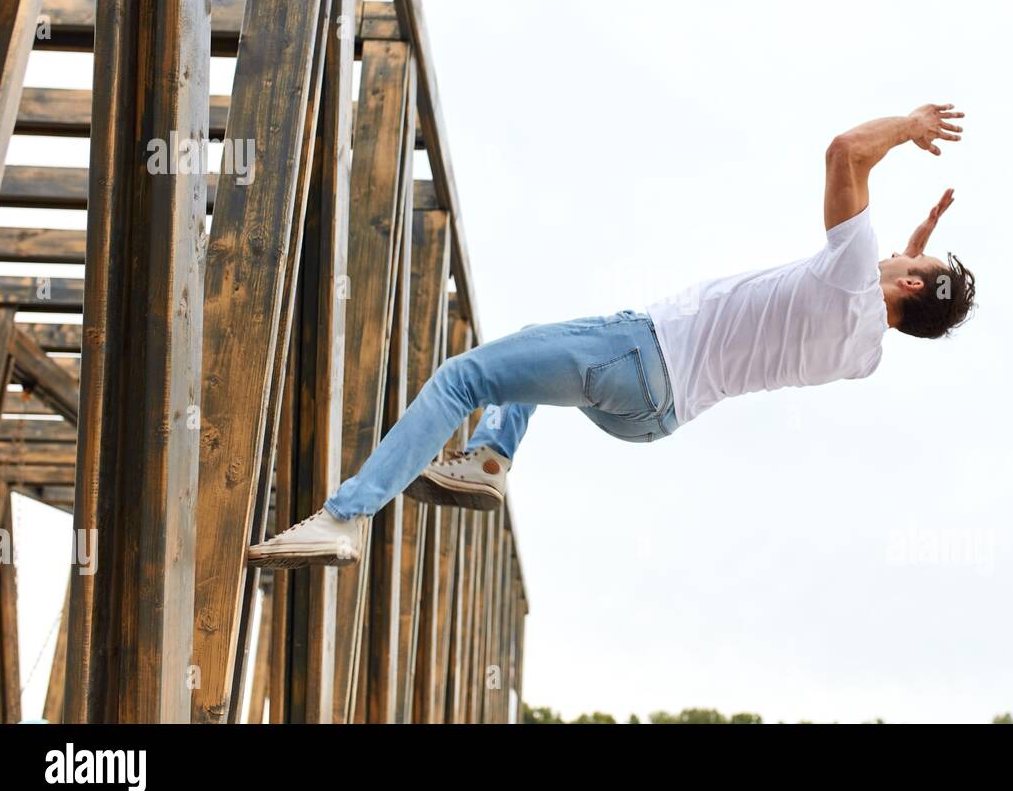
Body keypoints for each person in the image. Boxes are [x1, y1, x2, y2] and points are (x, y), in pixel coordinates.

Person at [247, 102, 975, 567]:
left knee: (466, 377)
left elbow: (846, 149)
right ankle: (491, 460)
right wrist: (919, 243)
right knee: (531, 351)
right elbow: (886, 293)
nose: (894, 254)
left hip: (641, 354)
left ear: (906, 281)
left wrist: (908, 130)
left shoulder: (850, 274)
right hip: (655, 418)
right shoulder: (866, 354)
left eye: (908, 262)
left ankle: (346, 517)